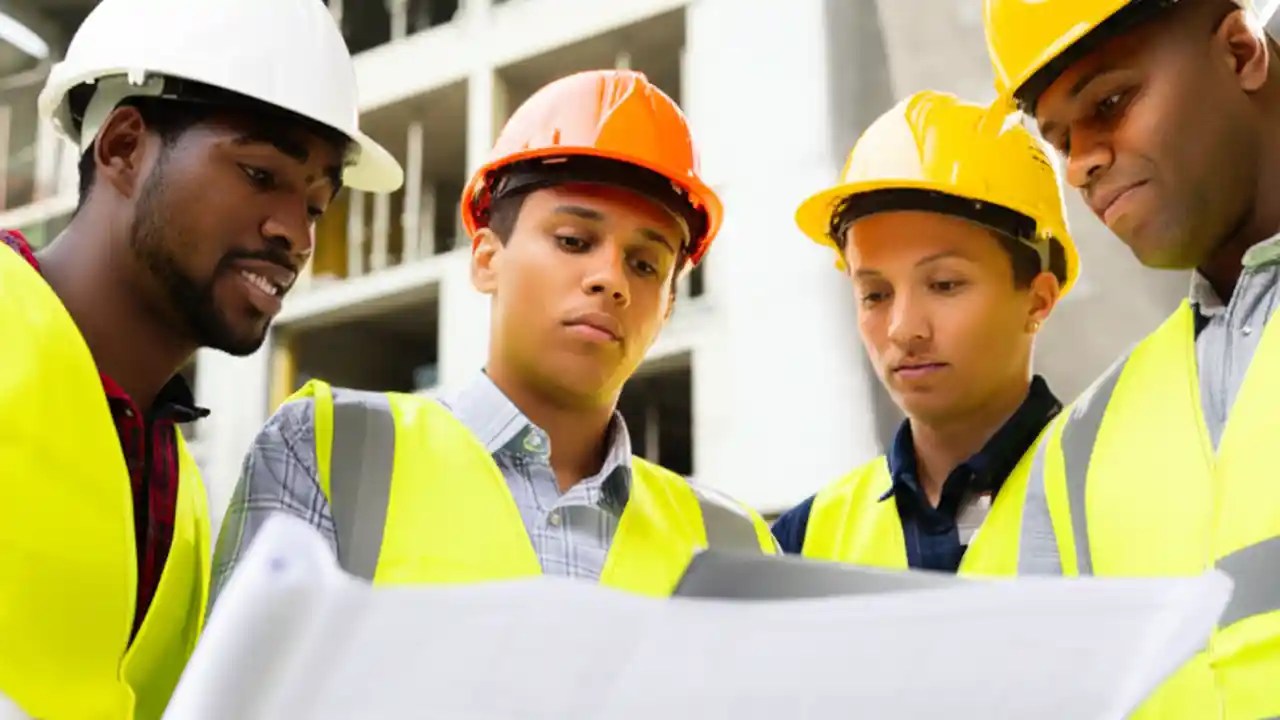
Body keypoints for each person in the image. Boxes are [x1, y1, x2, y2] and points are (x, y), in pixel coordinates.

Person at [211, 69, 776, 605]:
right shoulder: (329, 453)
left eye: (646, 265)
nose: (611, 280)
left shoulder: (736, 546)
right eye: (575, 241)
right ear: (486, 259)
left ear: (669, 306)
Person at [0, 0, 402, 717]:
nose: (295, 236)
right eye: (258, 175)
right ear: (124, 148)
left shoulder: (176, 485)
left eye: (316, 205)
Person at [979, 0, 1280, 717]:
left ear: (1240, 52)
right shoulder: (1077, 449)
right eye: (1059, 141)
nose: (1081, 163)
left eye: (1110, 101)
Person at [770, 90, 1077, 574]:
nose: (903, 329)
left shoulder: (1116, 487)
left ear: (1037, 299)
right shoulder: (801, 543)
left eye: (944, 284)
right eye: (875, 294)